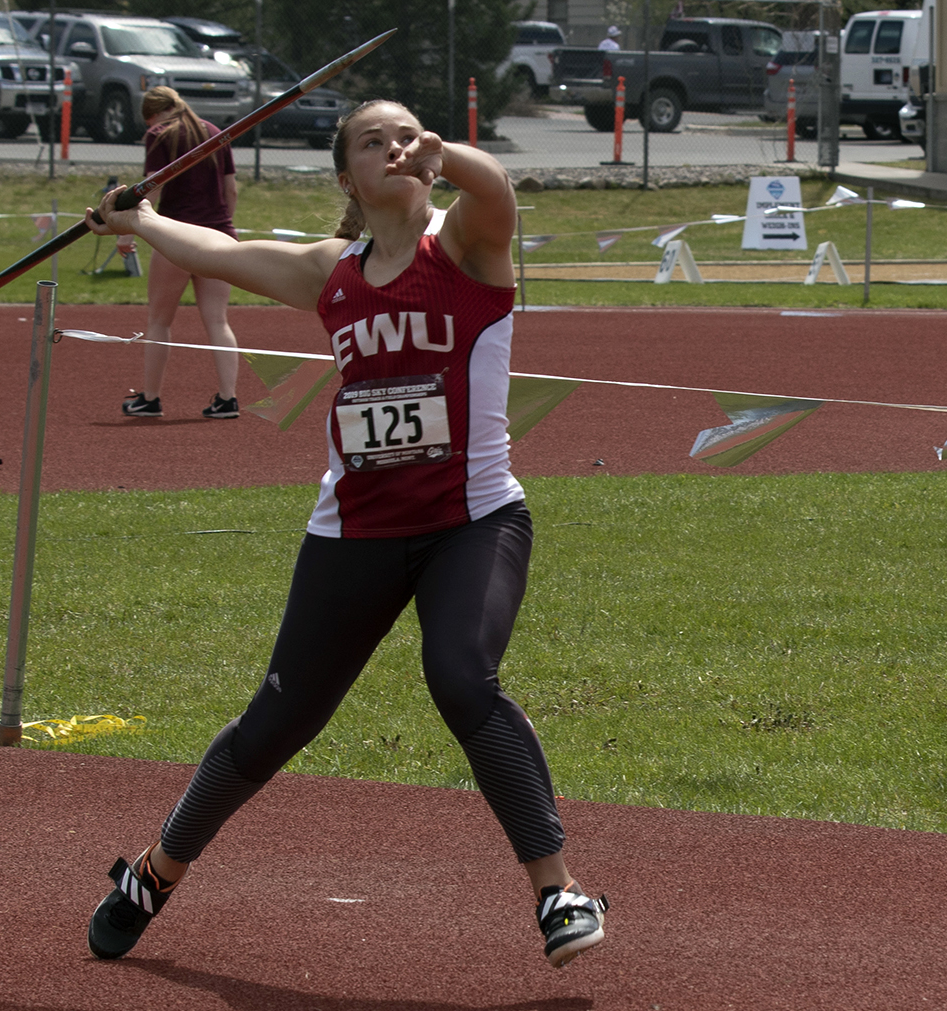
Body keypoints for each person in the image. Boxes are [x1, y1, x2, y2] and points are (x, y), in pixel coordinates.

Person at [82, 99, 608, 967]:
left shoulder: (469, 244)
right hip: (352, 531)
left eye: (407, 137)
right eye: (374, 142)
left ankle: (558, 888)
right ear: (345, 179)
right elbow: (224, 252)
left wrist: (447, 152)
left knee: (460, 678)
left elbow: (497, 186)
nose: (395, 148)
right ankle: (156, 869)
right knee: (274, 723)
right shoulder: (334, 271)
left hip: (470, 521)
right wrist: (138, 219)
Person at [117, 86, 241, 421]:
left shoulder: (159, 135)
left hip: (177, 236)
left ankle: (151, 398)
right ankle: (228, 399)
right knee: (217, 320)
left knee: (159, 320)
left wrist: (128, 231)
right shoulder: (214, 132)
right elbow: (231, 189)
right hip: (219, 235)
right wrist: (223, 225)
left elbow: (149, 190)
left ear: (153, 114)